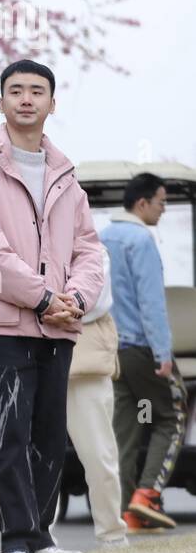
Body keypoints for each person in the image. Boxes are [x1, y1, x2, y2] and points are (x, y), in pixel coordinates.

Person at [0, 59, 103, 553]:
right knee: (7, 433)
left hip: (58, 325)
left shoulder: (66, 174)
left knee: (50, 435)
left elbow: (87, 248)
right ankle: (10, 541)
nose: (27, 99)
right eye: (16, 91)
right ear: (1, 101)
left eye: (38, 91)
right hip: (3, 324)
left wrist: (75, 300)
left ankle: (38, 534)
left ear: (53, 103)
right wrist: (39, 295)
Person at [101, 172, 186, 532]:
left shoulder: (102, 237)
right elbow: (152, 303)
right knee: (172, 415)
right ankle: (147, 494)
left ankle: (126, 511)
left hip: (112, 351)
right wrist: (163, 353)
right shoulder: (141, 240)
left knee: (128, 426)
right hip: (142, 348)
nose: (164, 210)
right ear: (142, 203)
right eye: (162, 203)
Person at [66, 245, 129, 545]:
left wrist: (51, 305)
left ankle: (112, 534)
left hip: (85, 361)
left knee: (100, 454)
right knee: (37, 456)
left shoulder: (94, 248)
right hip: (38, 356)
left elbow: (97, 302)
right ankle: (39, 539)